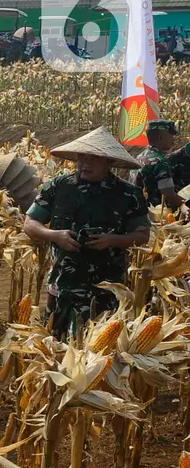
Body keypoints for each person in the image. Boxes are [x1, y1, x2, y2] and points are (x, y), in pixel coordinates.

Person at [23, 127, 150, 339]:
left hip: (107, 287)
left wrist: (112, 240)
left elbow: (142, 235)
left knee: (99, 350)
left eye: (93, 159)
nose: (85, 164)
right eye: (82, 158)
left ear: (109, 162)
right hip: (63, 284)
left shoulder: (129, 194)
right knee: (56, 343)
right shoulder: (58, 186)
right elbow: (30, 223)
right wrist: (55, 236)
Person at [137, 119, 186, 210]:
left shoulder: (140, 157)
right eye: (171, 135)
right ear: (161, 138)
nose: (173, 138)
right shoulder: (160, 162)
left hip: (137, 211)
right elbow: (169, 195)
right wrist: (185, 204)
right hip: (153, 215)